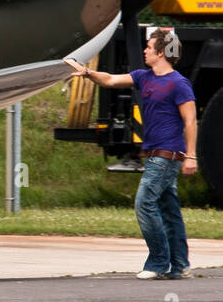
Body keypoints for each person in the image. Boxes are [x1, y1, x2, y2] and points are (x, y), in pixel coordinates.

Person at [67, 28, 196, 279]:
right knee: (168, 210)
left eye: (149, 47)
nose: (145, 50)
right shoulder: (144, 76)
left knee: (144, 204)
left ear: (161, 52)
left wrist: (191, 156)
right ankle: (180, 264)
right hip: (155, 155)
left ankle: (159, 263)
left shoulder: (178, 83)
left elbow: (190, 121)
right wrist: (89, 73)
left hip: (167, 155)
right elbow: (111, 80)